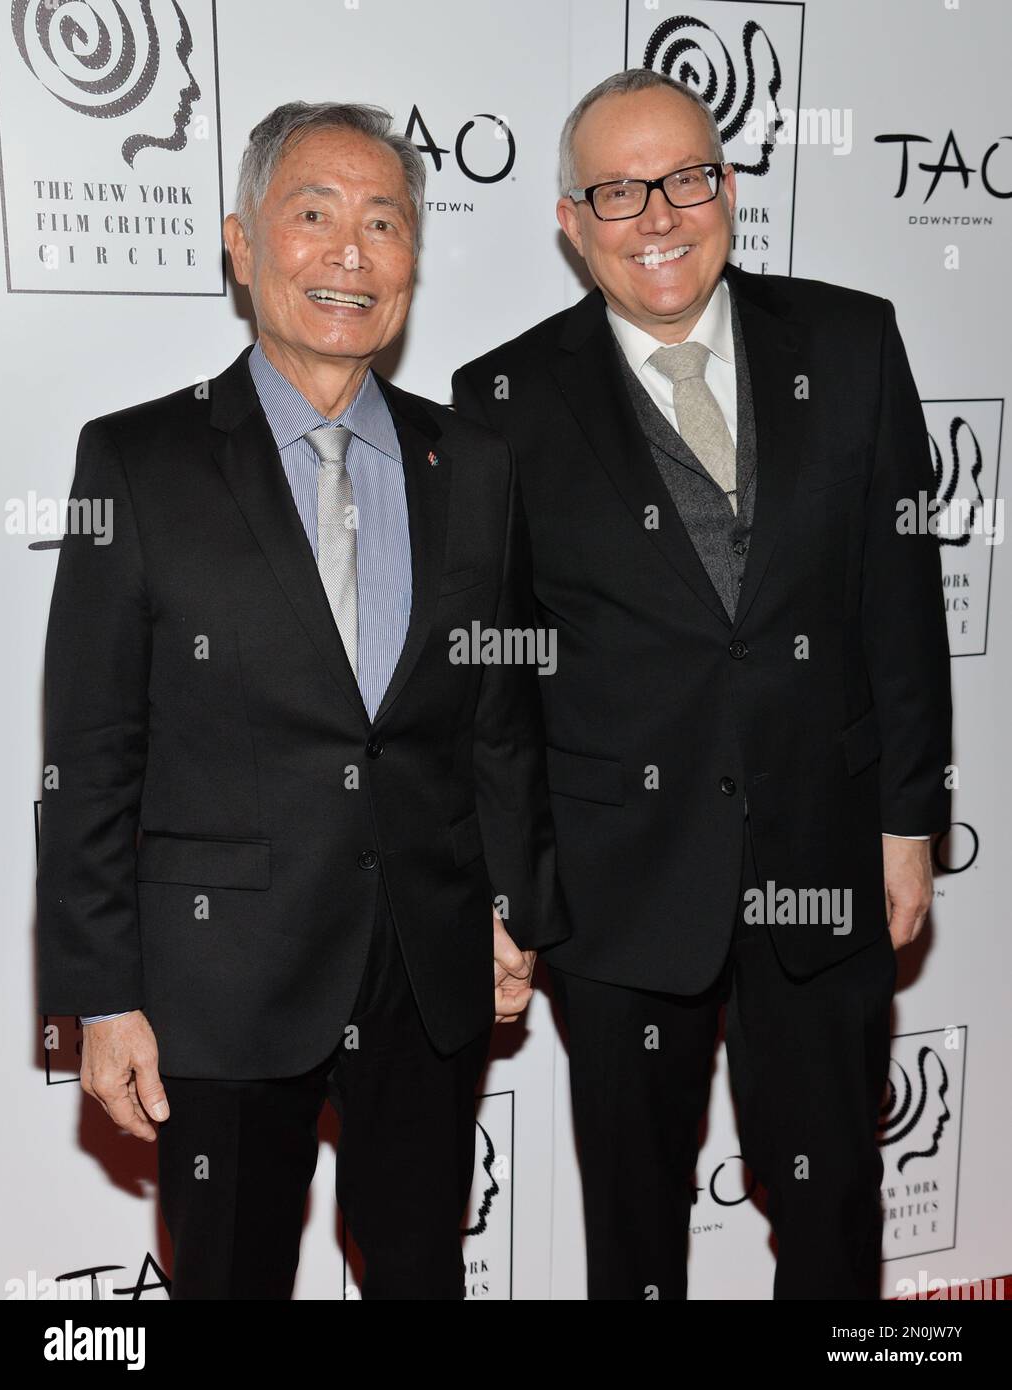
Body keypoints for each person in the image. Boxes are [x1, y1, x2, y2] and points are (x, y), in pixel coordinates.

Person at [36, 100, 566, 1301]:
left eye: (383, 222)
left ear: (412, 259)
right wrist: (101, 994)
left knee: (421, 1270)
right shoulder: (137, 461)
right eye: (313, 215)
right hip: (220, 977)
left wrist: (512, 901)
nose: (349, 253)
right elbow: (91, 751)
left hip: (424, 963)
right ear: (241, 242)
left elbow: (496, 714)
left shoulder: (473, 465)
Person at [452, 69, 951, 1300]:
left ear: (727, 188)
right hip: (616, 889)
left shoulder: (849, 342)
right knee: (634, 1231)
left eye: (684, 178)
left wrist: (906, 823)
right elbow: (496, 681)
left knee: (833, 1209)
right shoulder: (500, 402)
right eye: (618, 193)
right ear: (571, 223)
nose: (658, 216)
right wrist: (511, 886)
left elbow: (899, 601)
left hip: (824, 854)